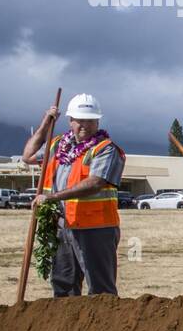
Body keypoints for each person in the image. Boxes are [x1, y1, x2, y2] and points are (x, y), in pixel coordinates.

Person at [22, 93, 125, 296]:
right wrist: (46, 123)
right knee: (63, 285)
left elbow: (95, 183)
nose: (83, 125)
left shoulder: (105, 149)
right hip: (62, 225)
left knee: (100, 289)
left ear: (97, 121)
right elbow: (27, 156)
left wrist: (51, 198)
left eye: (89, 120)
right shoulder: (58, 144)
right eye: (79, 120)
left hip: (96, 228)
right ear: (70, 121)